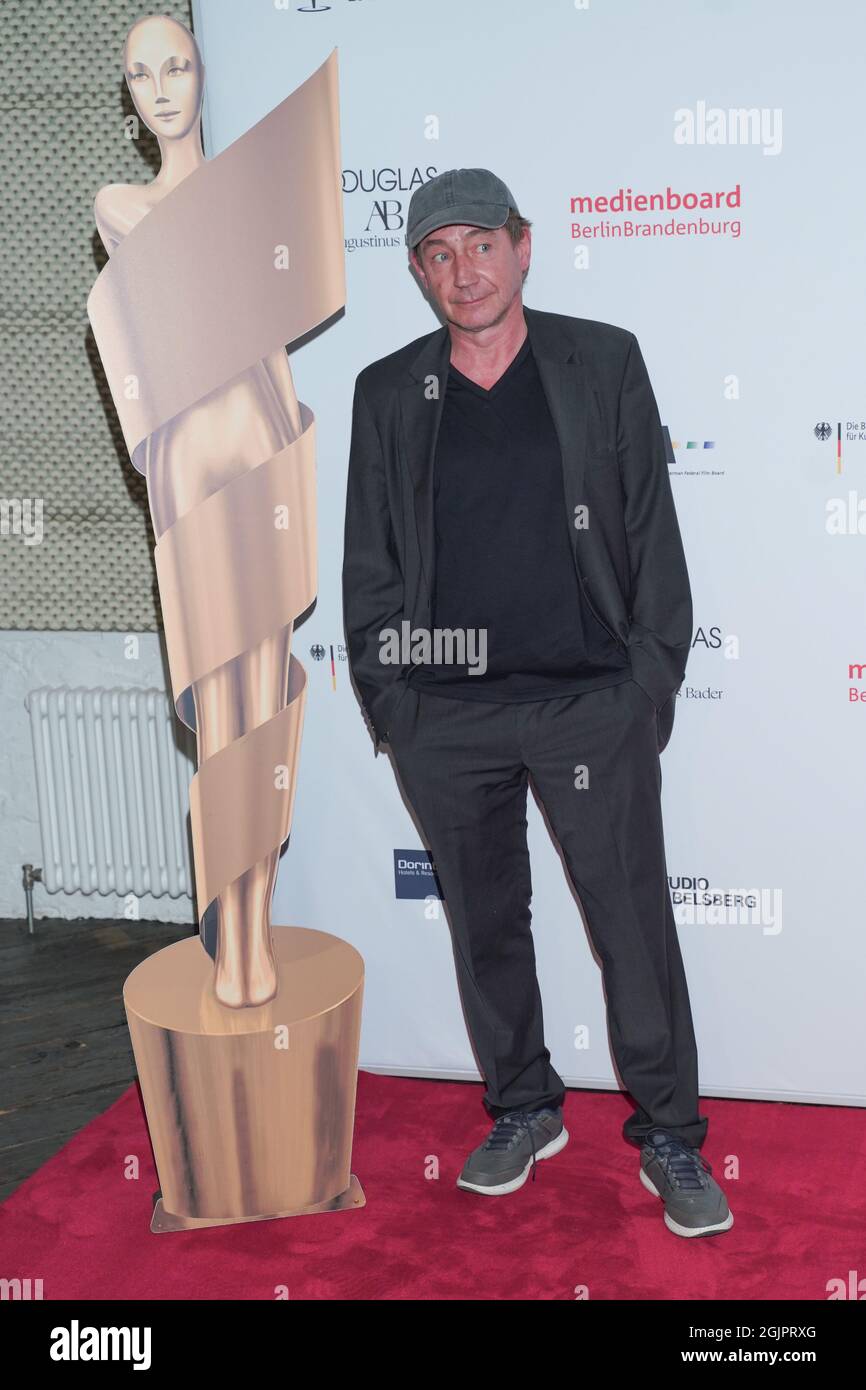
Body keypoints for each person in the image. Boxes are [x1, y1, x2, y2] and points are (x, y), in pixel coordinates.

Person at [342, 168, 732, 1237]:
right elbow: (368, 566)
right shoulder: (388, 392)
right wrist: (394, 705)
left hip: (585, 704)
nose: (461, 270)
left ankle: (668, 1134)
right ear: (418, 273)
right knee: (484, 930)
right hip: (447, 717)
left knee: (630, 929)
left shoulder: (598, 362)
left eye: (479, 244)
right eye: (437, 254)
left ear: (521, 246)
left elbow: (652, 535)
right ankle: (521, 1105)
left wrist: (643, 685)